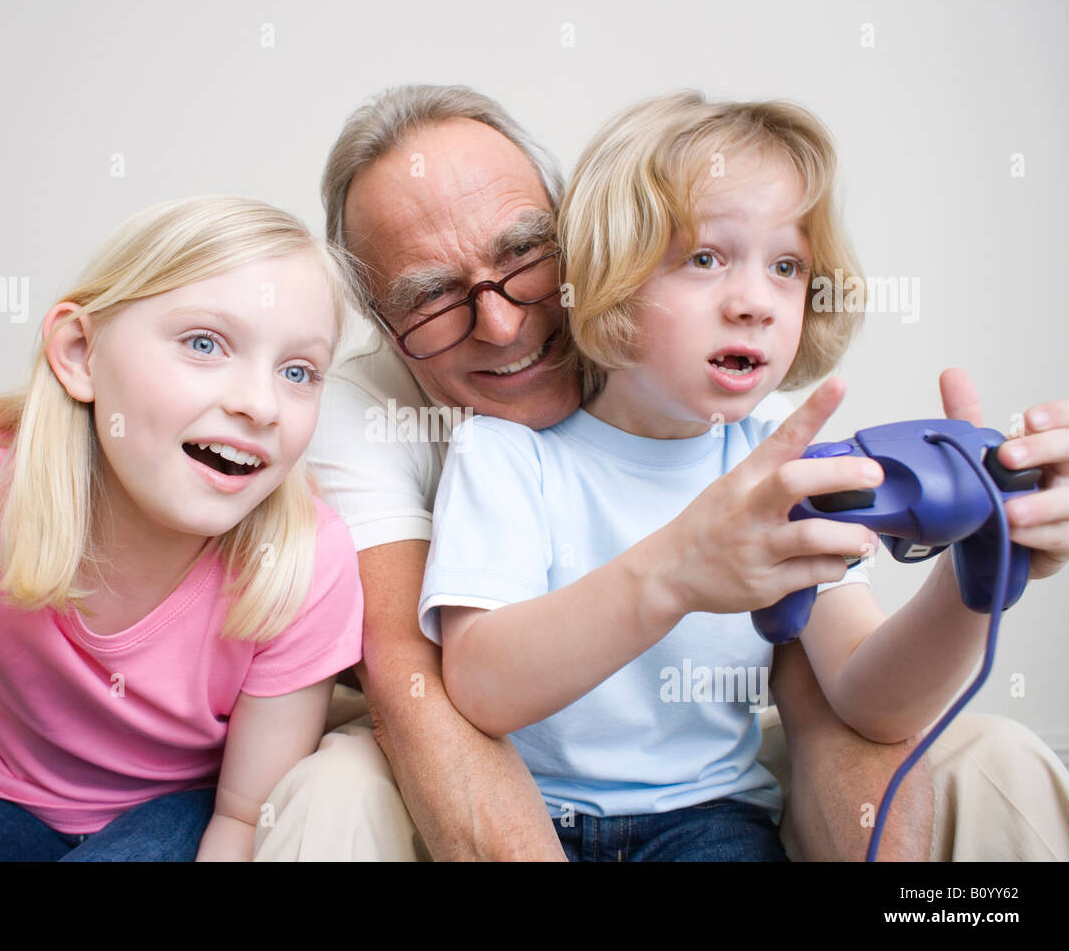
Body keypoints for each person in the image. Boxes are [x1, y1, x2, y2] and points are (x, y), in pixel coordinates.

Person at [254, 84, 1069, 862]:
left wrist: (976, 578)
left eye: (786, 266)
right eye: (708, 257)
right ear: (610, 268)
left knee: (1004, 758)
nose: (753, 299)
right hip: (538, 808)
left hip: (710, 817)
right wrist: (678, 569)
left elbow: (865, 701)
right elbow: (465, 686)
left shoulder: (778, 450)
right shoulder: (496, 452)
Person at [0, 195, 365, 861]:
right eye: (204, 343)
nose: (260, 404)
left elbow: (241, 819)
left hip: (185, 812)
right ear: (80, 353)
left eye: (298, 372)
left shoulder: (309, 557)